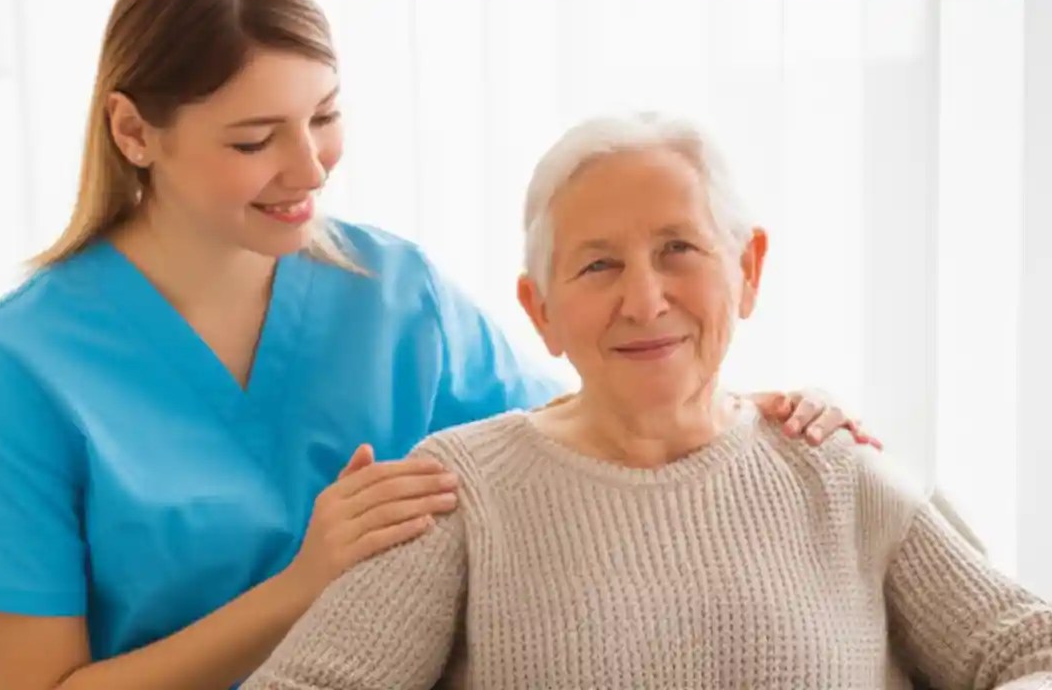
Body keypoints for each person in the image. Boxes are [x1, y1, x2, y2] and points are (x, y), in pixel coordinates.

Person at [0, 0, 876, 689]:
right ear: (135, 133)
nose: (309, 167)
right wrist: (304, 583)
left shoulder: (395, 294)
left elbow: (582, 453)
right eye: (254, 140)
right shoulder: (20, 364)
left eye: (324, 118)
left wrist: (744, 413)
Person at [243, 114, 1052, 690]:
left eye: (679, 250)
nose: (646, 299)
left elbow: (1029, 650)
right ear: (541, 310)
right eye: (598, 266)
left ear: (749, 270)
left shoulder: (834, 468)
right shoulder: (460, 492)